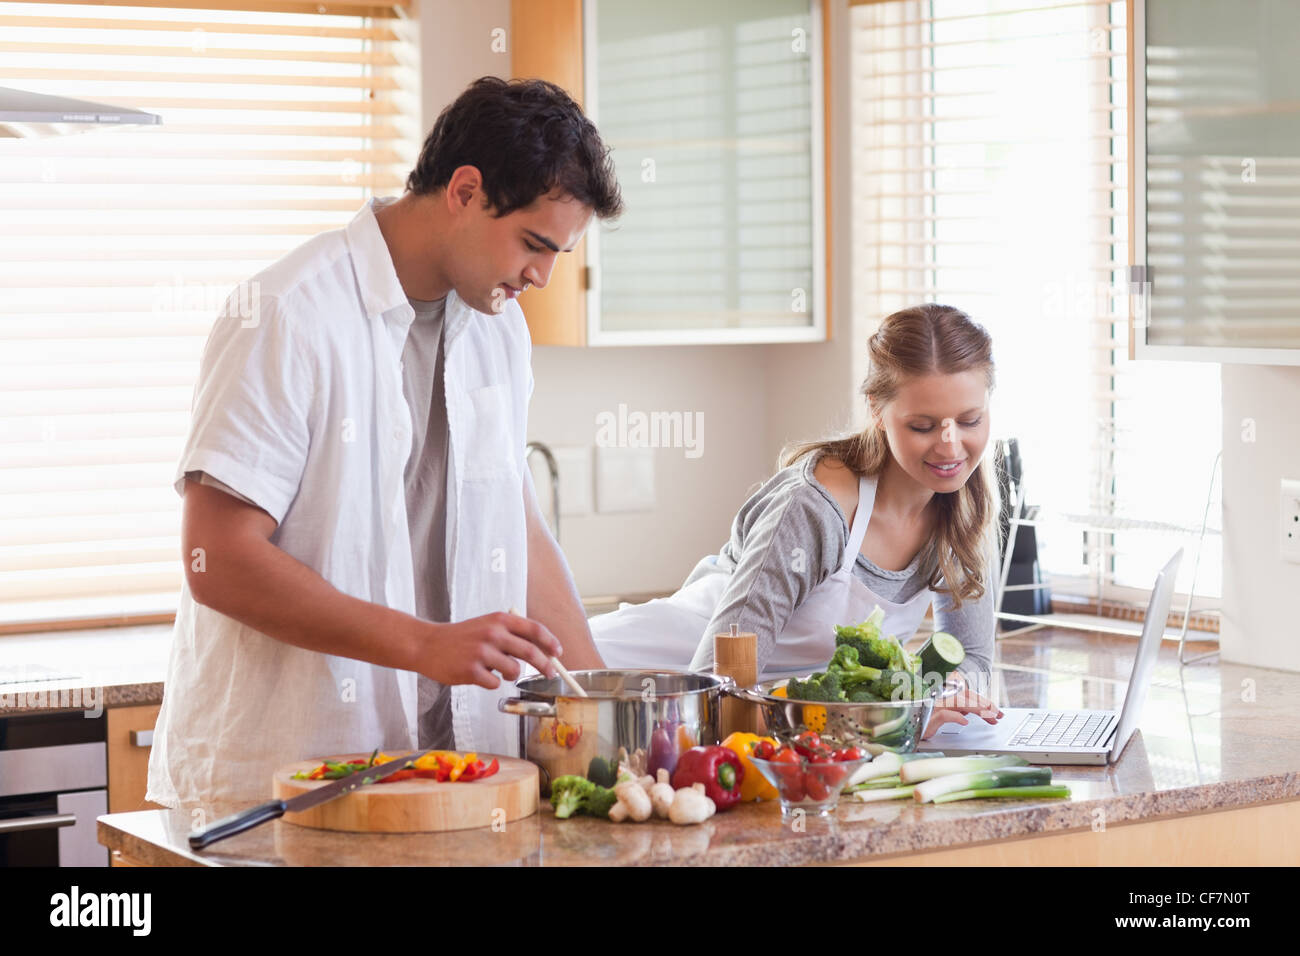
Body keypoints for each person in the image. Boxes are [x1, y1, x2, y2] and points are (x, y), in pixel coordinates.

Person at [147, 77, 622, 806]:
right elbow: (219, 560)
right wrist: (426, 644)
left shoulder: (500, 330)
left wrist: (607, 710)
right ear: (465, 191)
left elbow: (516, 528)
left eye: (558, 253)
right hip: (282, 785)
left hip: (453, 785)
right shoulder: (288, 314)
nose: (543, 275)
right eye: (533, 243)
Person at [590, 303, 1003, 737]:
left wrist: (940, 692)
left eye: (970, 420)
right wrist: (886, 718)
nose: (951, 446)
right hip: (638, 681)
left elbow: (972, 658)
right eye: (923, 425)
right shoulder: (814, 511)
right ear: (877, 411)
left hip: (778, 714)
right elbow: (717, 689)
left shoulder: (965, 509)